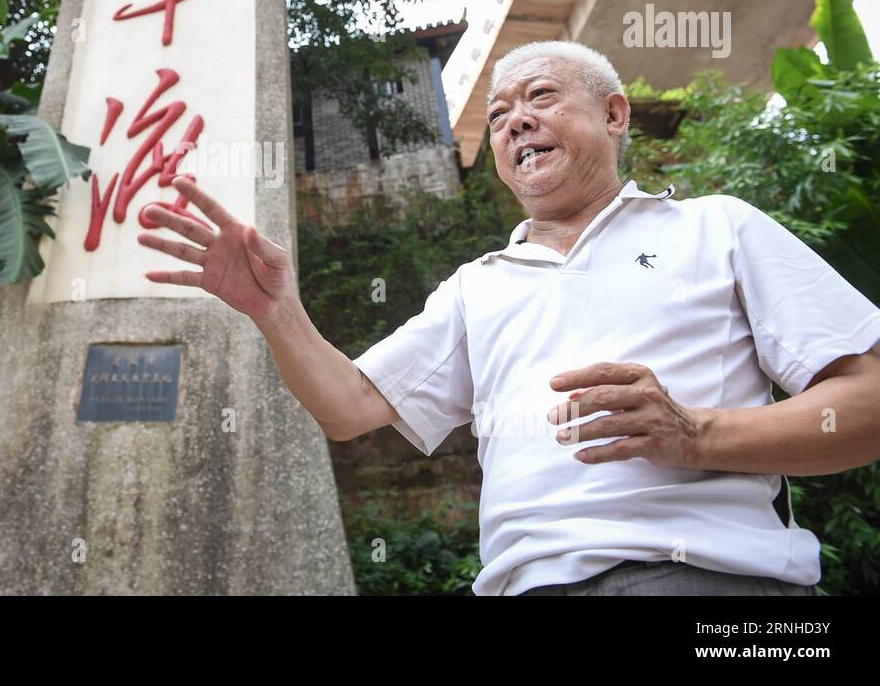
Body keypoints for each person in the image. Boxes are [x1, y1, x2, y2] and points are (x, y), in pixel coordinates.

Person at [137, 39, 880, 596]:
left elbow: (868, 402)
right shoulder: (475, 285)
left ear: (615, 114)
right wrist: (278, 311)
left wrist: (697, 433)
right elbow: (349, 406)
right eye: (498, 116)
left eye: (542, 97)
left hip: (712, 583)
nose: (516, 121)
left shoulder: (718, 227)